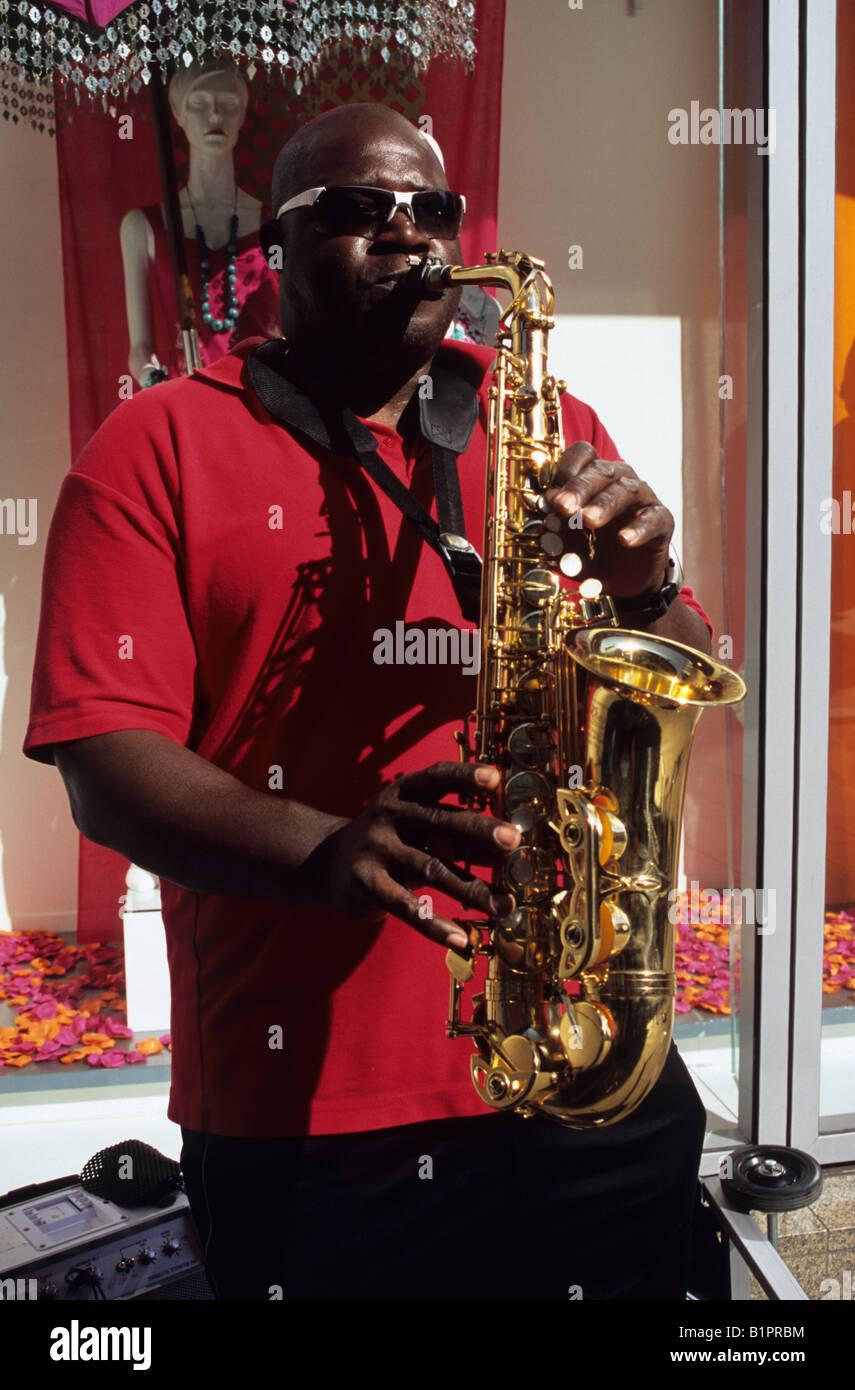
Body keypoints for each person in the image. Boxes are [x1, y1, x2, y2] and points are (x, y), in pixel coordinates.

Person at [25, 102, 712, 1301]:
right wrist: (325, 848)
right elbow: (105, 758)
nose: (408, 233)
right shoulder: (150, 447)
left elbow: (682, 664)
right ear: (275, 249)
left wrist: (649, 582)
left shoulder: (548, 427)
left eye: (432, 209)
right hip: (318, 1117)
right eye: (358, 210)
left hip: (591, 1062)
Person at [120, 60, 279, 388]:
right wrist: (156, 381)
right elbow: (140, 350)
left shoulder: (275, 223)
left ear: (242, 114)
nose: (216, 115)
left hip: (261, 397)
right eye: (199, 102)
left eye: (228, 103)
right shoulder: (143, 226)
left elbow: (290, 328)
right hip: (188, 395)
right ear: (178, 113)